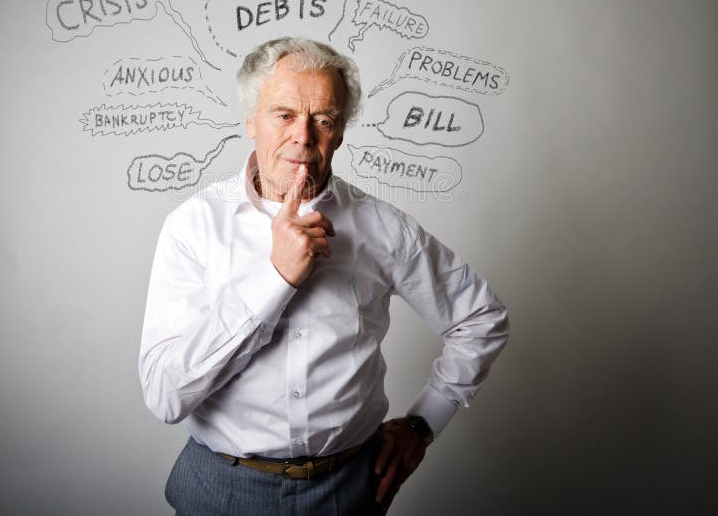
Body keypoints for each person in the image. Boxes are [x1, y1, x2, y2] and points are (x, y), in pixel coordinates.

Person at [139, 37, 509, 515]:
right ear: (251, 120)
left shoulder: (383, 226)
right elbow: (166, 397)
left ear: (340, 132)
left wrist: (423, 425)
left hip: (349, 489)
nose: (303, 136)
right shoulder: (193, 226)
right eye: (284, 114)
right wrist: (277, 276)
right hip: (222, 489)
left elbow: (480, 318)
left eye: (324, 120)